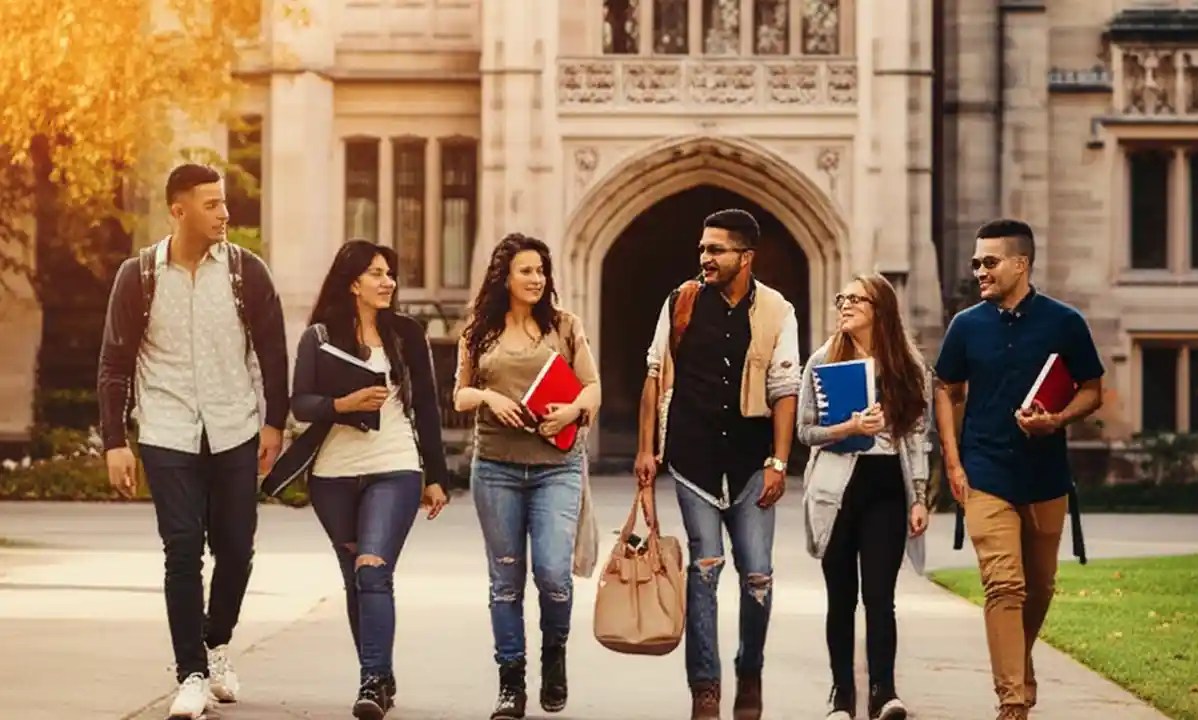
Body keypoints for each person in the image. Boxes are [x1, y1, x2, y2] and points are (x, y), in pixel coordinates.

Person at [95, 163, 290, 719]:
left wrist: (274, 422)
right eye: (211, 204)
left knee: (235, 549)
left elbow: (273, 352)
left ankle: (216, 641)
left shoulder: (245, 274)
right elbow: (114, 362)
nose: (225, 213)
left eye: (224, 202)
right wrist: (115, 439)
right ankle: (192, 674)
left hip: (234, 427)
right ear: (178, 210)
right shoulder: (139, 277)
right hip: (167, 429)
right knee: (182, 548)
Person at [267, 239, 450, 719]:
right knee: (355, 580)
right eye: (375, 273)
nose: (387, 281)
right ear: (352, 282)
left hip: (396, 466)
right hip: (333, 476)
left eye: (389, 272)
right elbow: (300, 402)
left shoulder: (407, 334)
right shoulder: (320, 337)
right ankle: (380, 673)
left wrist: (437, 477)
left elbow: (428, 406)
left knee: (373, 569)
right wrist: (342, 407)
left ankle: (370, 682)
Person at [932, 219, 1105, 720]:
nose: (978, 271)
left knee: (1040, 585)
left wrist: (1058, 419)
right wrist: (953, 458)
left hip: (1047, 475)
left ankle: (1019, 666)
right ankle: (1012, 701)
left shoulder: (1065, 322)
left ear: (1021, 264)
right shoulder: (966, 325)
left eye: (989, 262)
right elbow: (946, 386)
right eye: (975, 263)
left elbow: (1092, 389)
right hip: (985, 471)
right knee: (1003, 585)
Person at [633, 208, 800, 720]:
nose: (705, 258)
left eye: (716, 250)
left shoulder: (778, 310)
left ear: (745, 257)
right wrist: (646, 450)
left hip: (751, 462)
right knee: (704, 571)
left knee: (758, 577)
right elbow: (655, 375)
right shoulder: (680, 302)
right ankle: (704, 689)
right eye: (703, 249)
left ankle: (750, 671)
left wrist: (778, 460)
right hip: (693, 457)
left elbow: (784, 389)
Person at [453, 232, 601, 720]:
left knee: (554, 575)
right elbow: (460, 396)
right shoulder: (479, 332)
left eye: (541, 271)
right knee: (505, 582)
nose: (536, 279)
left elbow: (592, 388)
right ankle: (510, 683)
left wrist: (572, 411)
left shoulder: (565, 326)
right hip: (495, 467)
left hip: (556, 467)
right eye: (526, 271)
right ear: (505, 277)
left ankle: (553, 656)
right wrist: (490, 397)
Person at [796, 272, 932, 720]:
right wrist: (849, 428)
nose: (846, 305)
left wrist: (918, 496)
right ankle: (842, 696)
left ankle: (883, 693)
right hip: (837, 488)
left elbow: (916, 438)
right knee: (841, 595)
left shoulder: (906, 366)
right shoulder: (823, 360)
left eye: (857, 299)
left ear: (881, 309)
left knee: (879, 595)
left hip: (887, 487)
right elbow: (805, 431)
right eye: (843, 298)